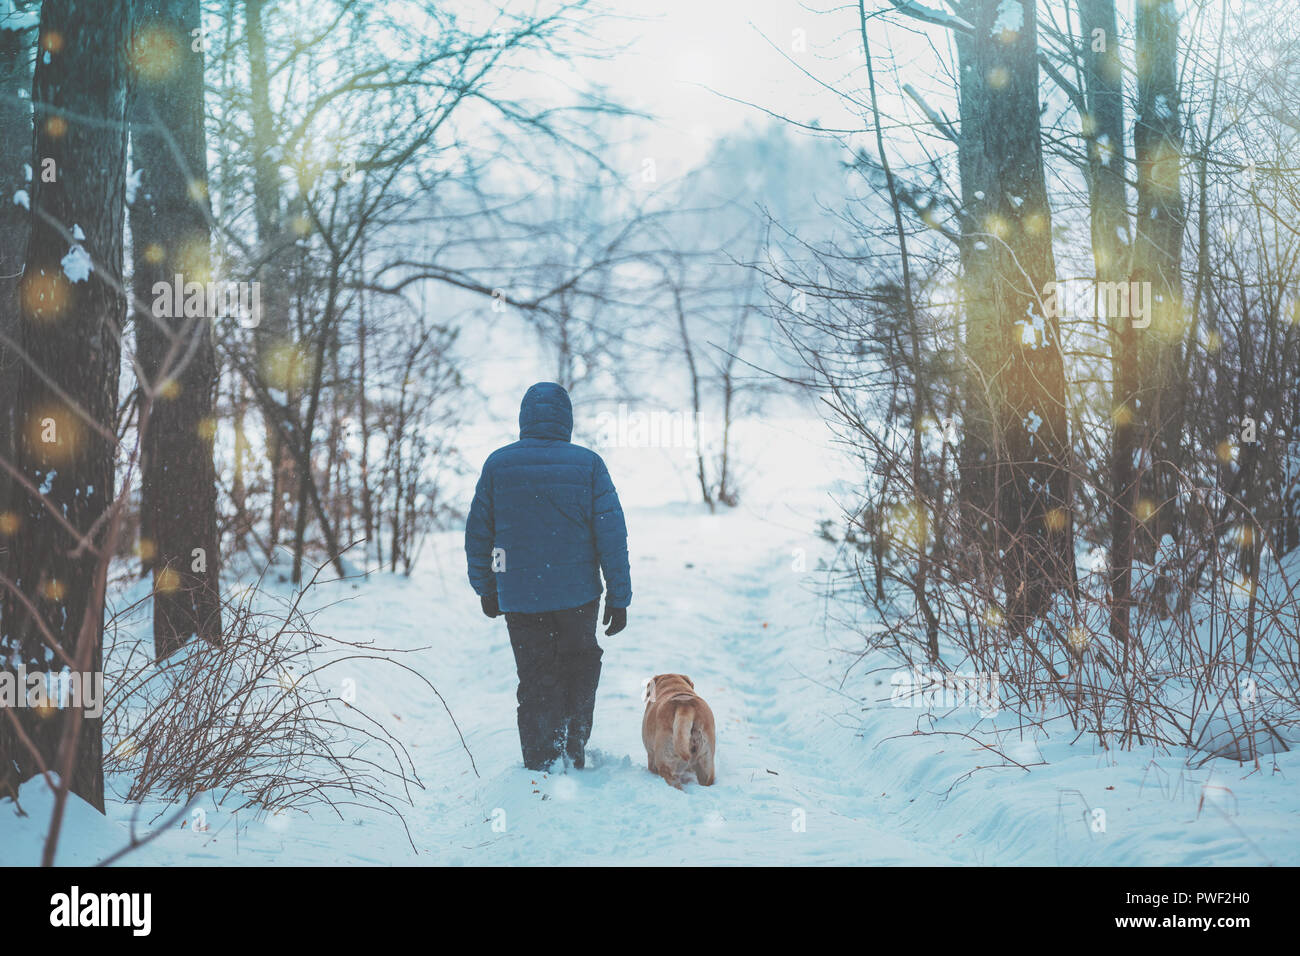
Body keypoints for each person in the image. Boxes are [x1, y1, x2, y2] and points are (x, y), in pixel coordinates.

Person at [465, 382, 631, 770]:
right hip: (579, 597)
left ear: (524, 418)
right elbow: (612, 536)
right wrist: (618, 597)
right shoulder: (588, 464)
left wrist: (487, 587)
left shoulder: (498, 464)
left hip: (521, 598)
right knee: (579, 666)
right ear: (567, 420)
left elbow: (479, 534)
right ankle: (573, 747)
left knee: (537, 674)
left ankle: (540, 757)